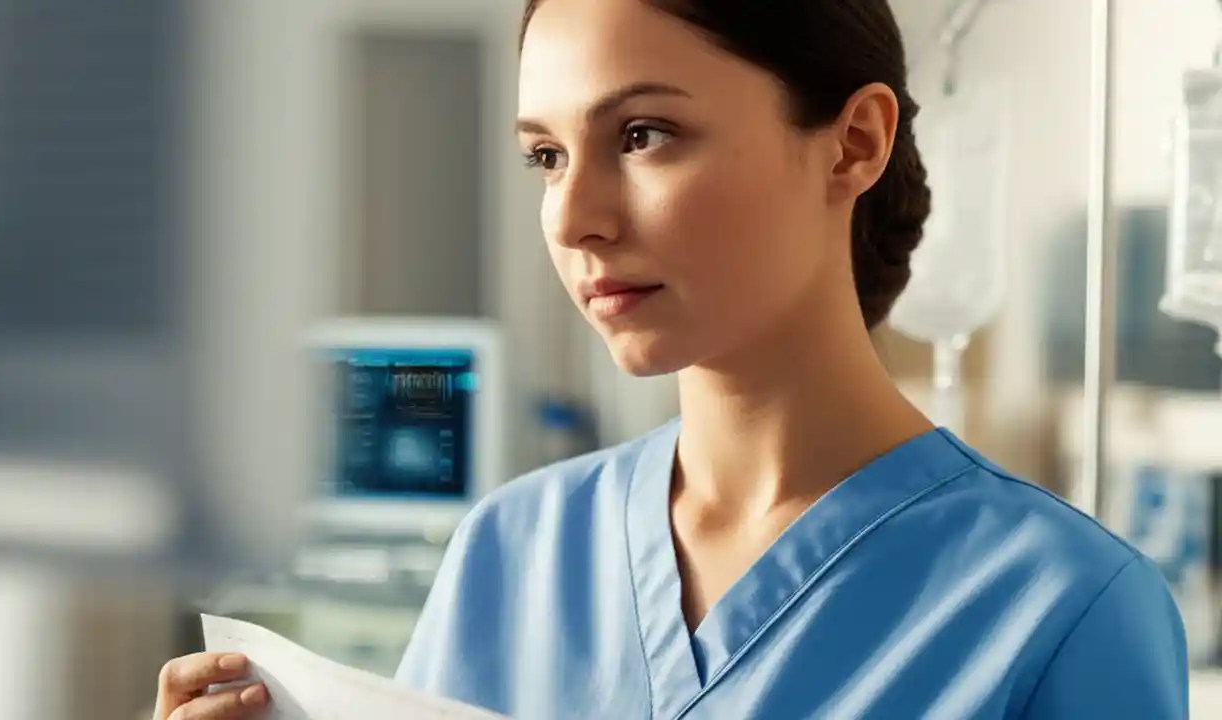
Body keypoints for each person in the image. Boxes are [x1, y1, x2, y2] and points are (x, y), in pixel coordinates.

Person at [152, 0, 1189, 718]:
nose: (574, 216)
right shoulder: (512, 550)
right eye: (546, 156)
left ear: (853, 143)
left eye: (643, 134)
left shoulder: (1060, 607)